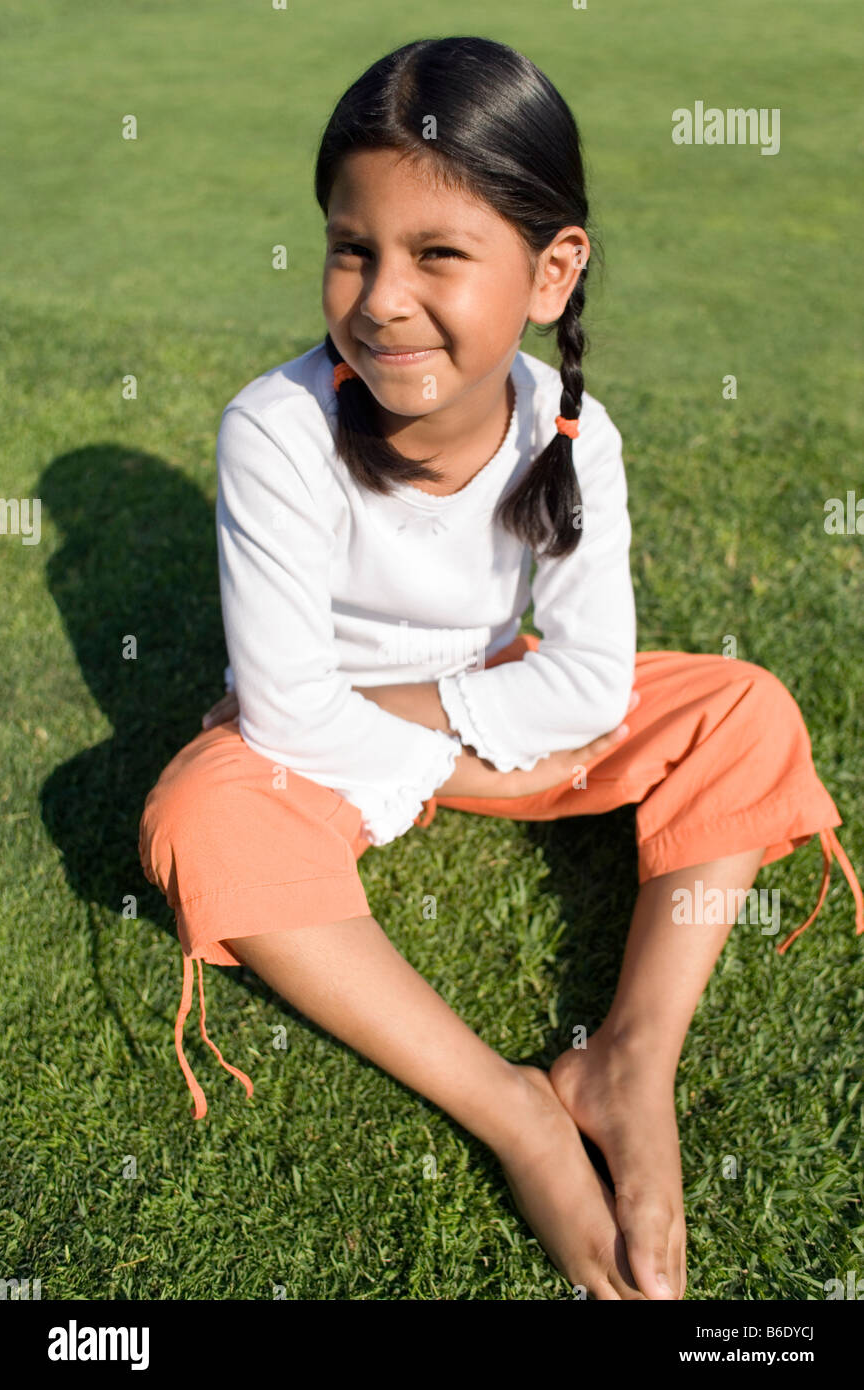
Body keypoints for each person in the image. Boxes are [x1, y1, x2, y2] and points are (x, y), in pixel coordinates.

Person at [138, 36, 863, 1301]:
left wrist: (349, 709)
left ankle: (627, 1058)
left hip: (457, 700)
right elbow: (291, 711)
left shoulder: (575, 433)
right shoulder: (275, 429)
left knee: (744, 711)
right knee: (200, 818)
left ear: (550, 269)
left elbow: (583, 687)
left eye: (437, 255)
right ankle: (519, 1111)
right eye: (351, 247)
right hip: (335, 754)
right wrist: (452, 762)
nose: (378, 298)